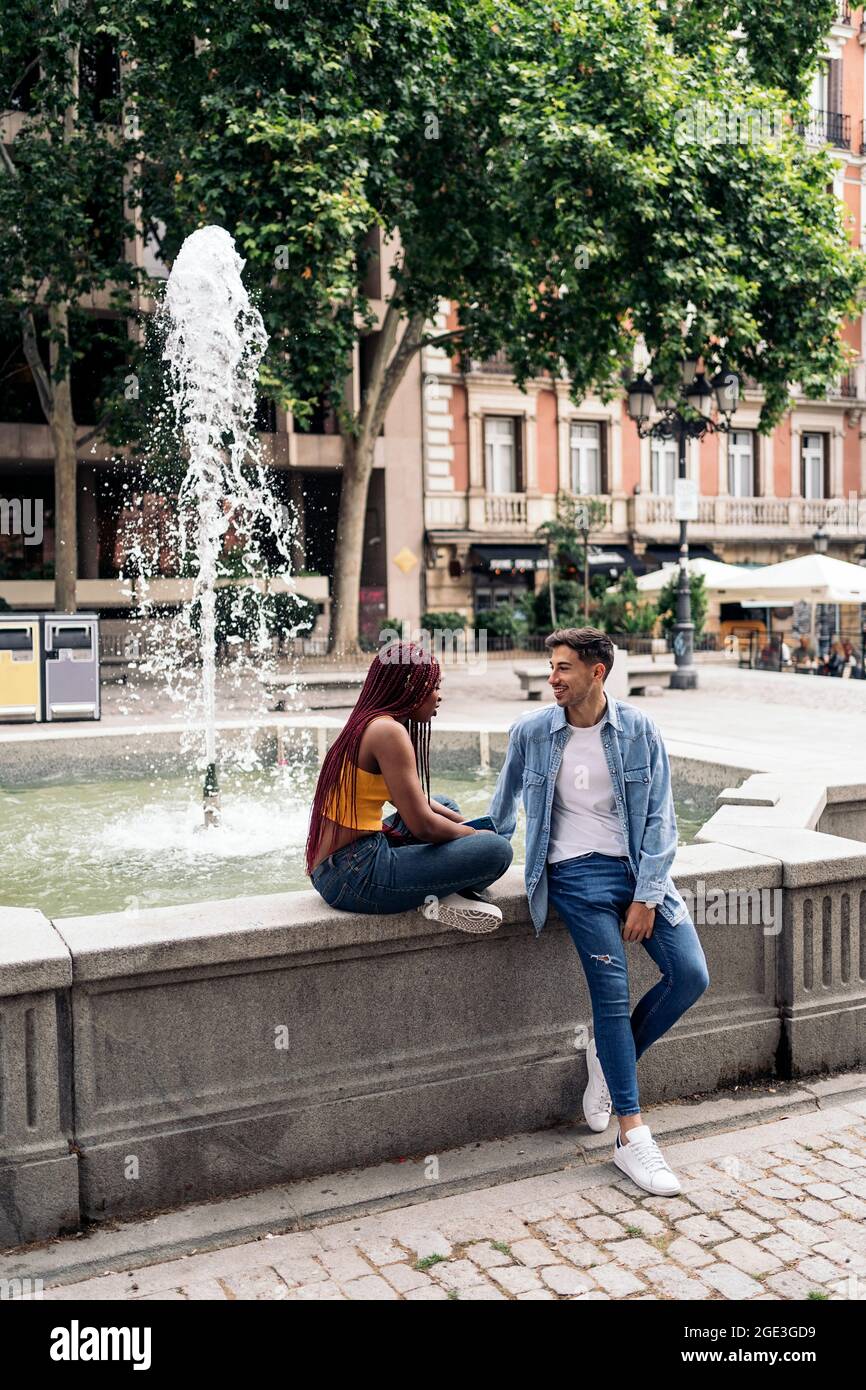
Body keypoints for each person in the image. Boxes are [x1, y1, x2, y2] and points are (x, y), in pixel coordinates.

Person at [488, 627, 709, 1196]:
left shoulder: (638, 731)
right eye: (551, 667)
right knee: (610, 997)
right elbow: (501, 816)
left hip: (637, 872)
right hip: (575, 876)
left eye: (564, 668)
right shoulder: (532, 733)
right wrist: (454, 862)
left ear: (597, 673)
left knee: (690, 975)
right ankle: (630, 1138)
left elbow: (662, 819)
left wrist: (647, 894)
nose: (553, 678)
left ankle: (608, 1062)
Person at [306, 639, 513, 933]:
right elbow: (423, 827)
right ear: (408, 687)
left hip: (338, 866)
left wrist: (463, 824)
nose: (438, 696)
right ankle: (437, 894)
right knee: (496, 850)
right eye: (433, 686)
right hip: (354, 876)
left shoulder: (370, 723)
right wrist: (474, 834)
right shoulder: (388, 732)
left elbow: (420, 802)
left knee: (447, 805)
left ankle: (435, 891)